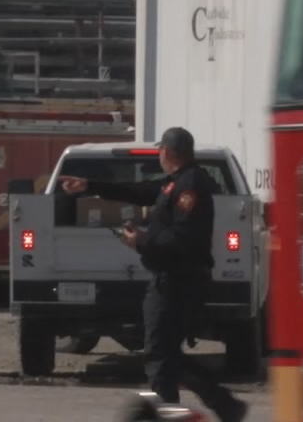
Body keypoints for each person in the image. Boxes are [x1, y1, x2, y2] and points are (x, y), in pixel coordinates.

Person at [56, 127, 245, 422]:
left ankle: (188, 409)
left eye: (160, 151)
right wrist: (90, 186)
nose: (159, 156)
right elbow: (139, 191)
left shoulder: (190, 186)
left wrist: (142, 241)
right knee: (166, 355)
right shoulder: (176, 182)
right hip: (170, 279)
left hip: (178, 281)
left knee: (159, 356)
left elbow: (183, 237)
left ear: (167, 151)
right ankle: (223, 405)